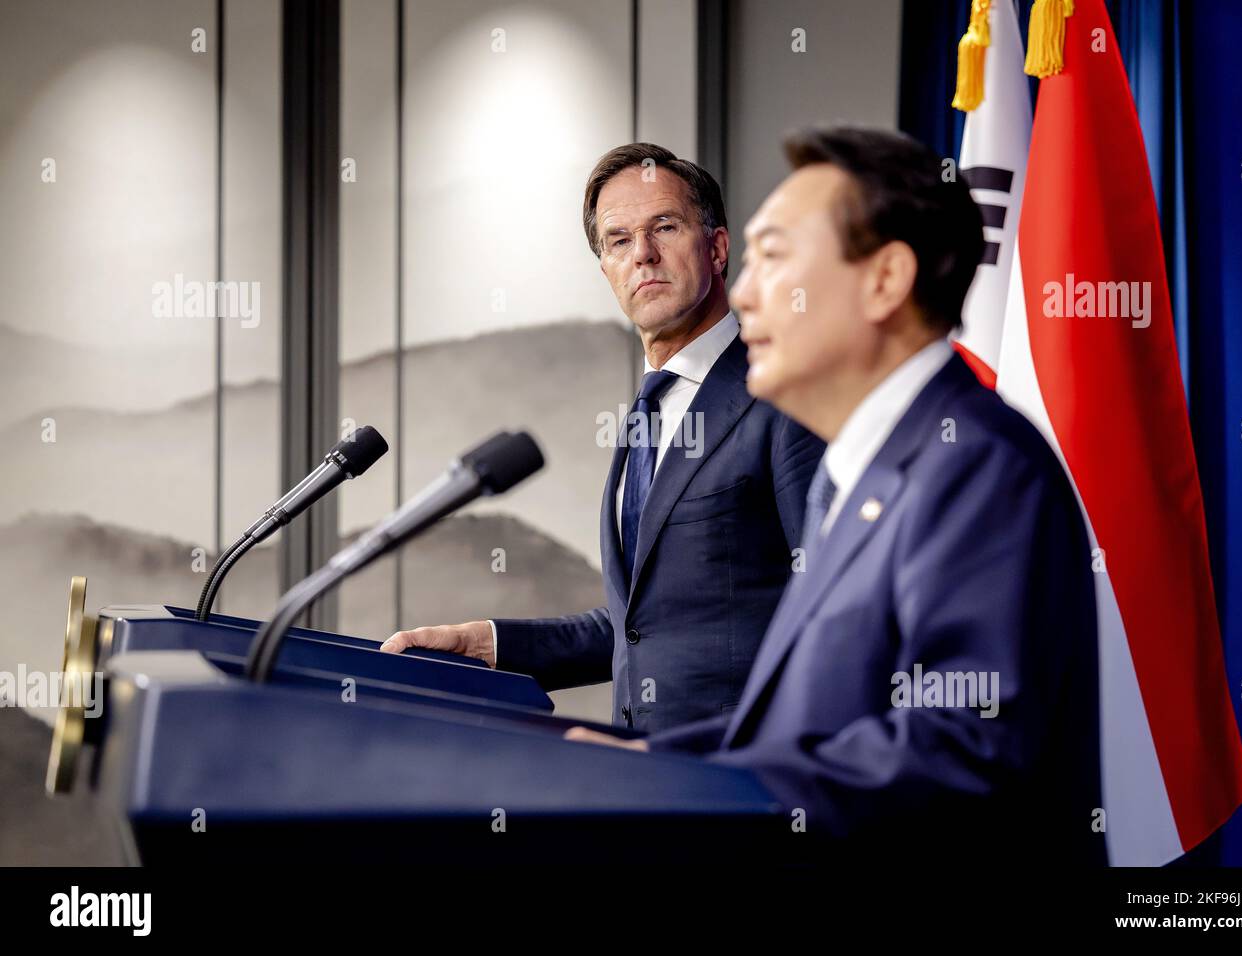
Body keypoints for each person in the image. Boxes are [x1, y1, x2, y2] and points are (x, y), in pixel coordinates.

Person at [567, 127, 1104, 863]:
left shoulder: (977, 467)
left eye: (777, 258)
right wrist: (656, 763)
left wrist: (710, 786)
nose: (747, 292)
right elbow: (812, 723)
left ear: (884, 280)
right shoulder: (855, 477)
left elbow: (965, 740)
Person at [383, 143, 823, 734]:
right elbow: (643, 626)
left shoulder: (785, 396)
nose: (642, 255)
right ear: (606, 270)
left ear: (717, 248)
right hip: (642, 787)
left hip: (746, 791)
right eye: (619, 241)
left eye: (664, 227)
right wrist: (489, 645)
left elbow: (831, 613)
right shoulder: (650, 408)